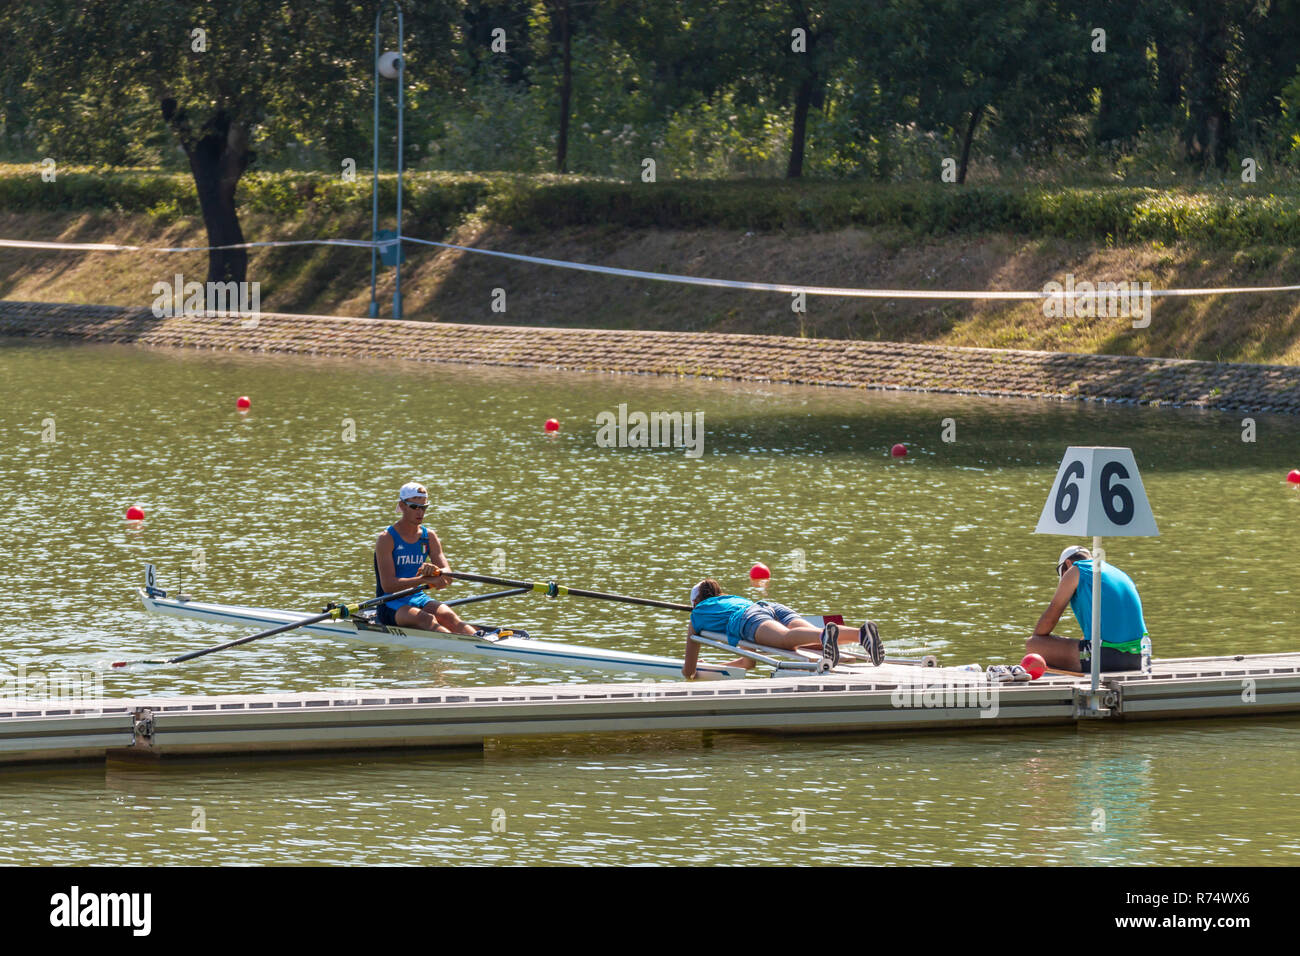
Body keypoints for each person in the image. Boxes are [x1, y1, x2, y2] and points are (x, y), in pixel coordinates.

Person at [681, 578, 883, 678]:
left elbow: (688, 672)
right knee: (810, 642)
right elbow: (749, 662)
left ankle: (824, 635)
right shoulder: (731, 599)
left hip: (749, 619)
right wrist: (720, 666)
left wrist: (702, 668)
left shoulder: (696, 616)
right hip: (768, 607)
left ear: (695, 602)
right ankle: (861, 633)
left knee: (787, 640)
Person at [372, 482, 476, 635]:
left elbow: (448, 576)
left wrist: (437, 572)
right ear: (402, 505)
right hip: (389, 602)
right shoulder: (386, 538)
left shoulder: (429, 536)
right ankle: (460, 649)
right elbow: (388, 586)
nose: (420, 512)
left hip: (417, 597)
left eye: (424, 507)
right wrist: (424, 579)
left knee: (449, 616)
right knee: (426, 619)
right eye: (415, 507)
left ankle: (484, 645)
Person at [1027, 545, 1148, 673]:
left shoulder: (1075, 570)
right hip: (1140, 657)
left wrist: (1044, 642)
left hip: (1104, 658)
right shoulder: (1116, 572)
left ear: (1067, 564)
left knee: (1034, 644)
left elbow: (1048, 622)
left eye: (1060, 572)